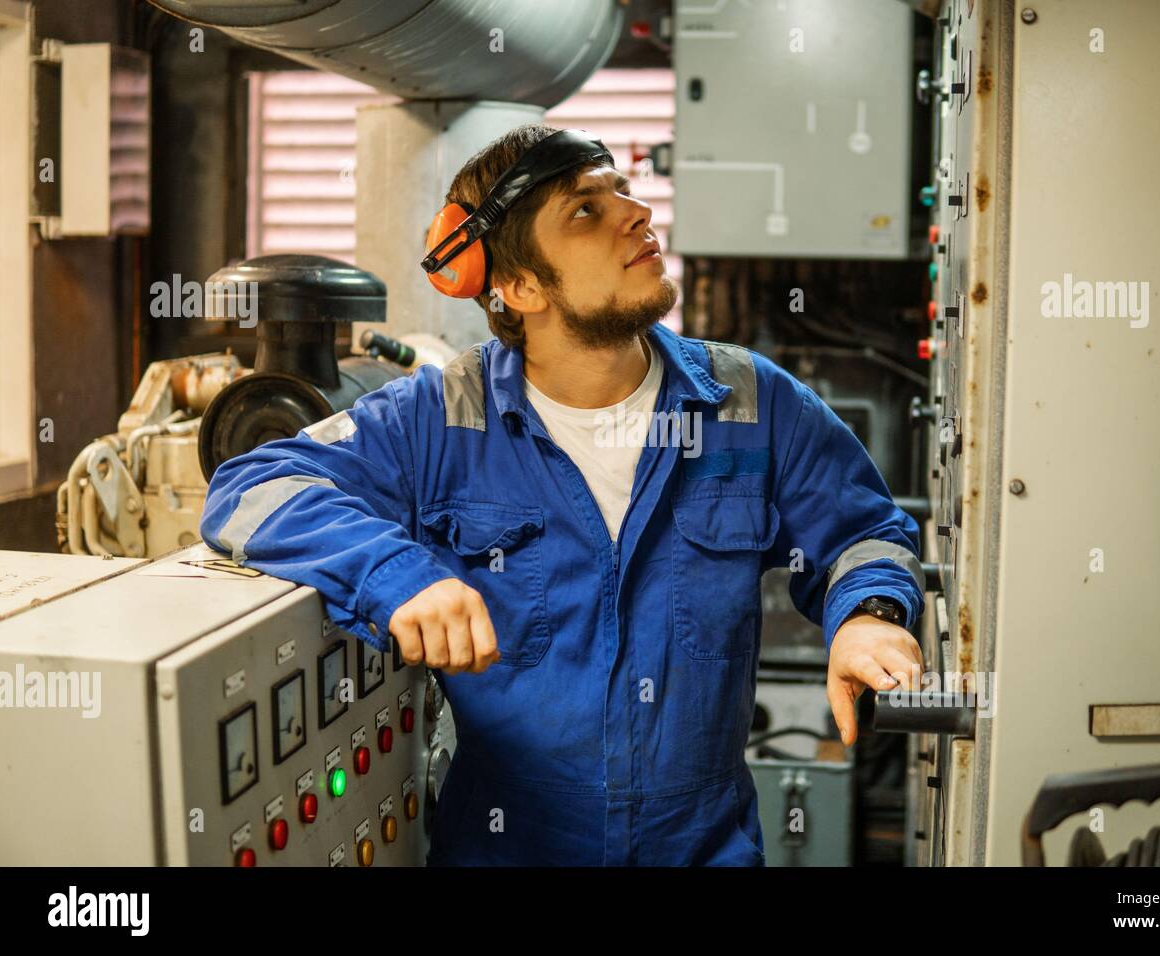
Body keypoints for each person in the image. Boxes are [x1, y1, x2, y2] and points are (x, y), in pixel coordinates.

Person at [199, 124, 925, 866]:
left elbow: (861, 532)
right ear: (520, 287)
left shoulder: (748, 401)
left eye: (623, 190)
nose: (636, 213)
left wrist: (867, 616)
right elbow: (253, 484)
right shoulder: (444, 417)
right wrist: (398, 577)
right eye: (586, 209)